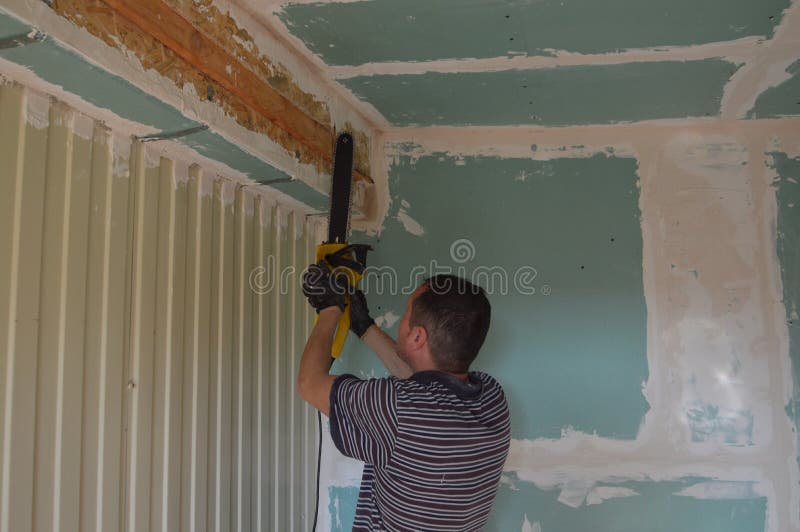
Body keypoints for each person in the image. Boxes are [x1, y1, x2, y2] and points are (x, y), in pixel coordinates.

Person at [298, 266, 511, 531]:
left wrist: (329, 311)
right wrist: (365, 327)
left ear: (418, 336)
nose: (401, 320)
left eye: (406, 314)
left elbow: (309, 384)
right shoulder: (492, 399)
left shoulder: (396, 407)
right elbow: (422, 385)